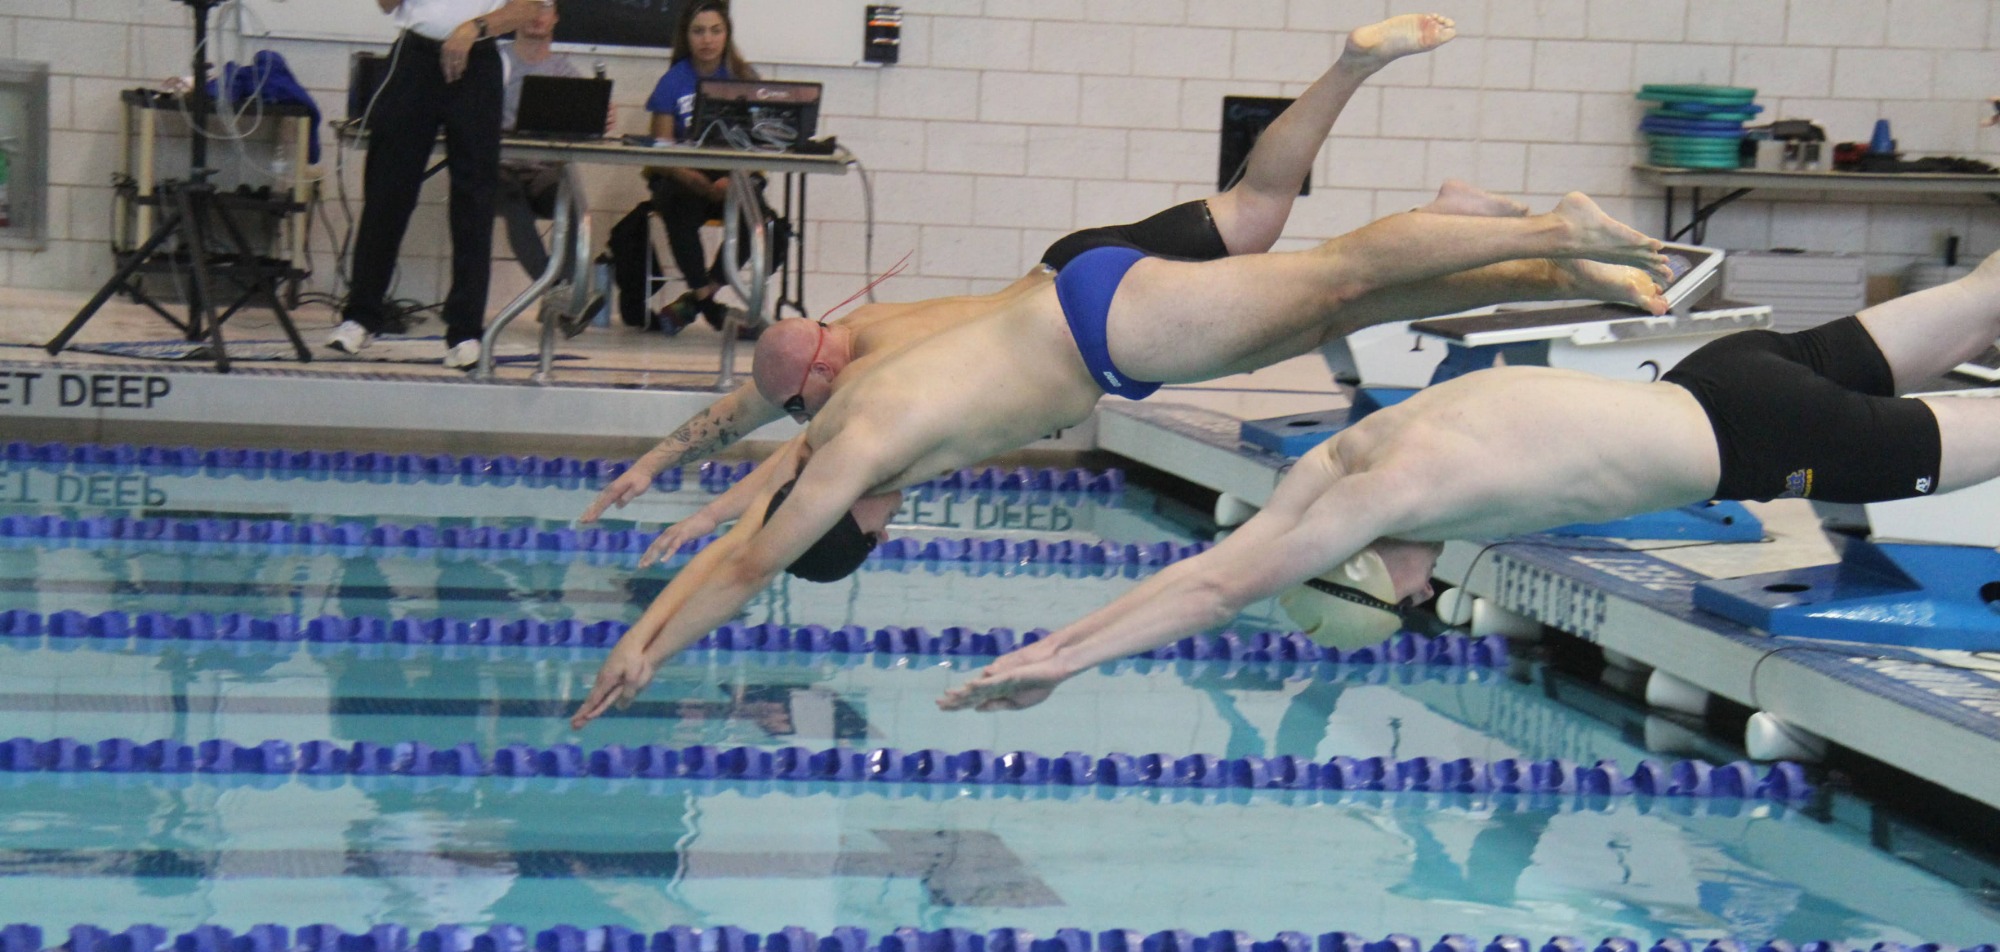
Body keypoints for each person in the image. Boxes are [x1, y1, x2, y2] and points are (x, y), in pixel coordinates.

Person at [566, 185, 1672, 730]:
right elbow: (747, 523)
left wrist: (648, 646)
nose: (887, 522)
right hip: (1095, 317)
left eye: (870, 530)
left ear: (855, 521)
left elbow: (752, 559)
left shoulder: (852, 458)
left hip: (1110, 329)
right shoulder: (836, 420)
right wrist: (644, 622)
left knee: (1334, 278)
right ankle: (1542, 269)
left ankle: (1553, 232)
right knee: (1339, 301)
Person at [934, 252, 2000, 713]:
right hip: (1716, 377)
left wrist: (1066, 666)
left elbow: (1219, 589)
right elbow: (1215, 564)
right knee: (1979, 292)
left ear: (1362, 571)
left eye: (1399, 605)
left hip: (1766, 435)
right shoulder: (1336, 461)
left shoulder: (1385, 496)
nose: (1421, 596)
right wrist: (1052, 646)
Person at [581, 12, 1467, 547]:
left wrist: (707, 520)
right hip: (1073, 256)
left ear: (818, 376)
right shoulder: (877, 326)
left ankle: (1439, 227)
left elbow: (791, 464)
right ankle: (1362, 82)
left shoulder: (869, 385)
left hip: (1095, 312)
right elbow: (737, 414)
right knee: (1259, 203)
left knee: (1318, 291)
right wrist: (648, 468)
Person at [329, 0, 552, 369]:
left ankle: (465, 331)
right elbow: (387, 6)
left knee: (474, 199)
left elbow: (528, 8)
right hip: (415, 55)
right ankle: (362, 316)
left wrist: (475, 28)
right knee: (388, 191)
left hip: (479, 55)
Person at [642, 0, 762, 335]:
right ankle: (712, 309)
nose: (707, 40)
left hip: (733, 177)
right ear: (686, 36)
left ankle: (695, 300)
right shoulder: (672, 81)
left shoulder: (745, 78)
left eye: (715, 30)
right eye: (698, 31)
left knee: (768, 229)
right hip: (684, 177)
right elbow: (662, 151)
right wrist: (697, 181)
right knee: (678, 211)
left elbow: (760, 145)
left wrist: (731, 180)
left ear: (727, 34)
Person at [493, 0, 609, 333]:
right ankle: (561, 294)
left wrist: (598, 119)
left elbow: (581, 130)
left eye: (543, 6)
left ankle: (564, 301)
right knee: (514, 204)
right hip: (500, 168)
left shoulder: (565, 72)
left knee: (571, 202)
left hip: (543, 171)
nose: (535, 15)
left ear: (555, 17)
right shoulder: (496, 61)